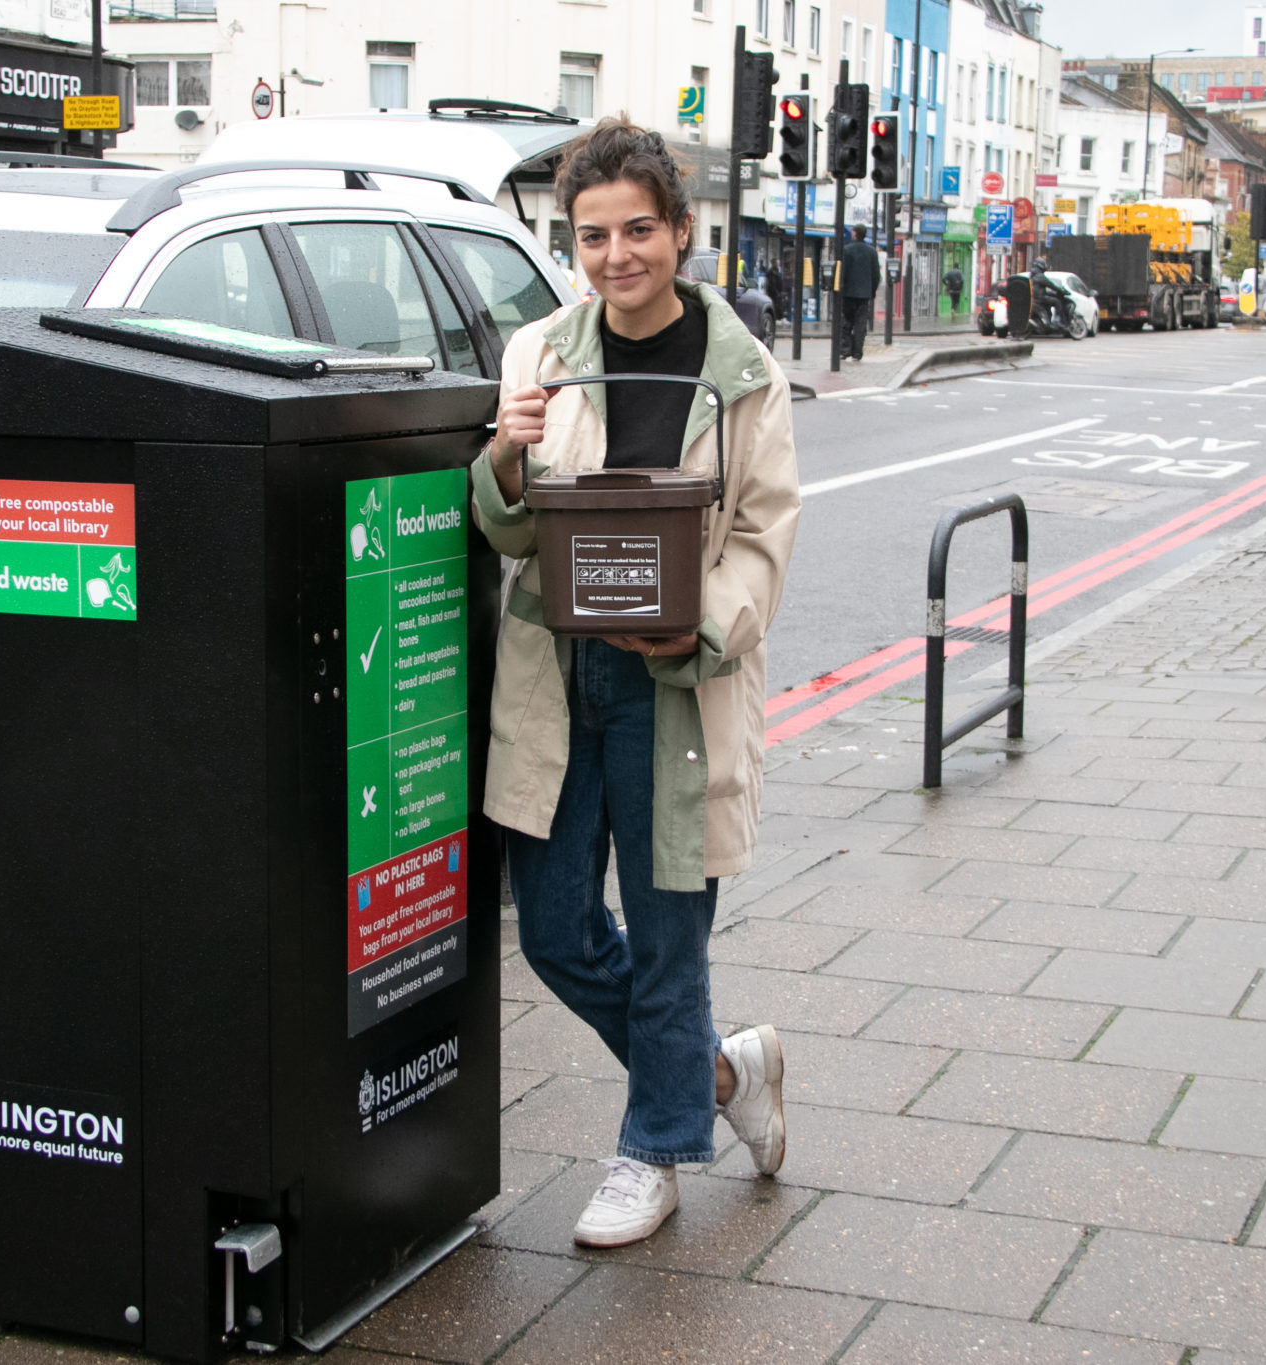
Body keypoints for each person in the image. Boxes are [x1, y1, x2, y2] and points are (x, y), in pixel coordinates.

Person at [472, 117, 801, 1249]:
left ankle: (651, 1150)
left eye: (638, 231)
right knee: (555, 930)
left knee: (667, 939)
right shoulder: (541, 356)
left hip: (676, 692)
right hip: (558, 684)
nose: (617, 256)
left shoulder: (743, 376)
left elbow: (761, 533)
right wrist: (505, 451)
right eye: (593, 235)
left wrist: (699, 632)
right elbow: (508, 530)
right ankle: (717, 1074)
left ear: (681, 231)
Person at [838, 225, 880, 359]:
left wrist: (841, 290)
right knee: (860, 324)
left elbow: (842, 273)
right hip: (864, 295)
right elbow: (876, 275)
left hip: (848, 294)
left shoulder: (846, 250)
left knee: (846, 322)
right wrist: (871, 291)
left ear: (855, 234)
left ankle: (845, 350)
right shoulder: (871, 252)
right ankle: (857, 352)